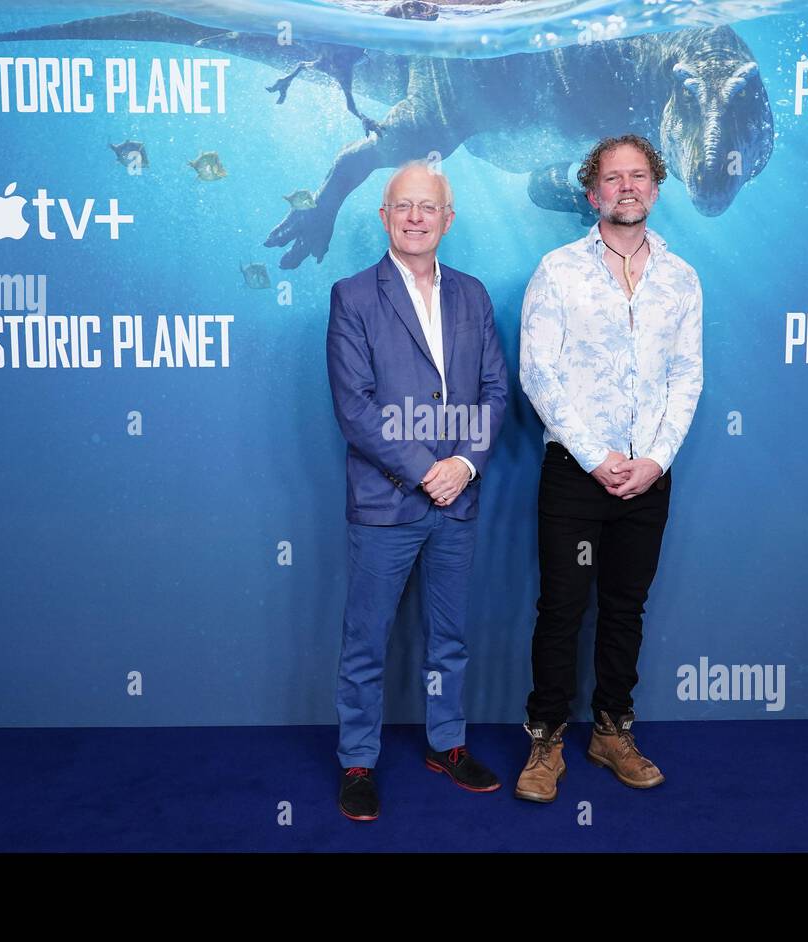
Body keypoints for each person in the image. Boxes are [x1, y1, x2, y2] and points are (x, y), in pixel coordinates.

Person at [514, 134, 703, 803]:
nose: (627, 187)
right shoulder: (557, 270)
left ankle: (611, 732)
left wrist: (654, 460)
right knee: (561, 609)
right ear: (593, 193)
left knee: (625, 608)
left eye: (640, 176)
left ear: (655, 188)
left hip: (648, 478)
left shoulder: (681, 278)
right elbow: (538, 374)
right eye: (613, 177)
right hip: (575, 473)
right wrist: (598, 459)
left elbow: (687, 377)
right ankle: (546, 742)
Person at [327, 160, 509, 821]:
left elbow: (495, 392)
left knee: (450, 636)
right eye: (402, 205)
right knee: (366, 640)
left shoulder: (473, 295)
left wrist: (463, 464)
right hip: (386, 503)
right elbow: (356, 407)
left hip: (457, 500)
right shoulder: (353, 296)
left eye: (427, 207)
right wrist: (425, 468)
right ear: (383, 216)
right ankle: (356, 760)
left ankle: (447, 743)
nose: (414, 217)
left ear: (447, 219)